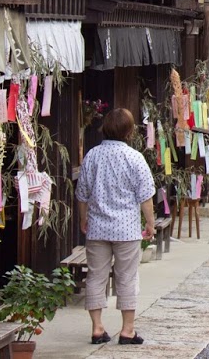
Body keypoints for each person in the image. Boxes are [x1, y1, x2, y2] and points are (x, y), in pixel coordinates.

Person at [75, 107, 156, 345]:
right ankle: (127, 330)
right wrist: (150, 224)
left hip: (98, 228)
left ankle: (97, 328)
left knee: (96, 277)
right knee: (127, 278)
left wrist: (83, 218)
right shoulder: (135, 158)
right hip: (127, 229)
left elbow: (82, 193)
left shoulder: (92, 156)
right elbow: (146, 196)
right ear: (129, 131)